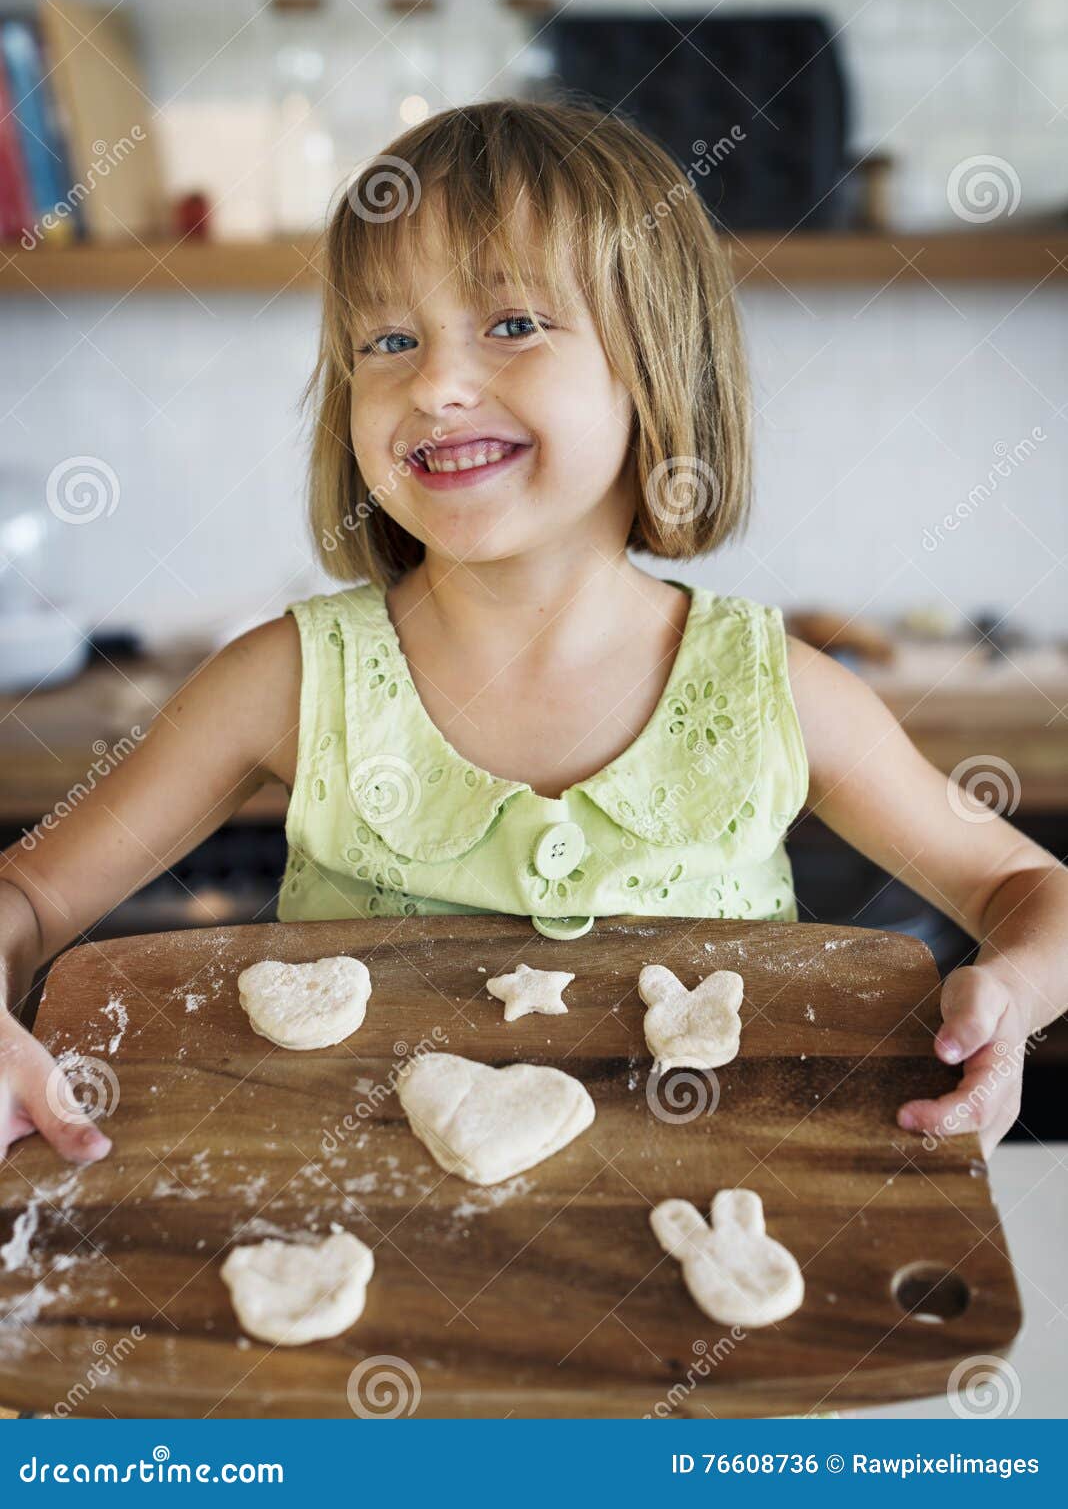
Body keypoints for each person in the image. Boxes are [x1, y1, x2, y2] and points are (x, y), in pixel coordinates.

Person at [2, 99, 1063, 1173]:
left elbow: (1032, 890)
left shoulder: (777, 691)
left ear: (654, 367)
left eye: (513, 324)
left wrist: (1014, 990)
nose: (436, 384)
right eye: (388, 339)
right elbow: (30, 897)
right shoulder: (286, 681)